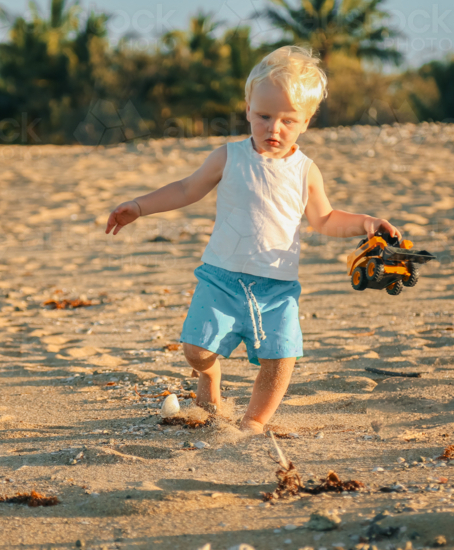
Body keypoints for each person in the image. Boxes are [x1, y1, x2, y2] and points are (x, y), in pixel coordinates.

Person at [105, 45, 400, 434]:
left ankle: (254, 421)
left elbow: (324, 219)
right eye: (263, 116)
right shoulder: (228, 157)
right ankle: (210, 377)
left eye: (287, 120)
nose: (273, 128)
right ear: (247, 109)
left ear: (306, 122)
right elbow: (186, 189)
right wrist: (140, 207)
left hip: (277, 286)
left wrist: (365, 222)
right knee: (197, 350)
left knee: (280, 359)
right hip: (221, 278)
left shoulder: (305, 171)